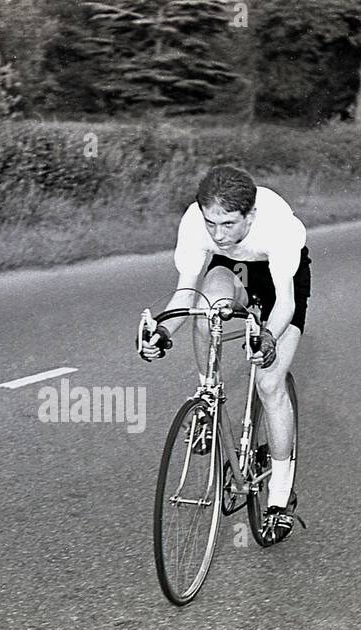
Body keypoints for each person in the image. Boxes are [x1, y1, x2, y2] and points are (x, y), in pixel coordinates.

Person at [141, 164, 311, 543]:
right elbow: (186, 293)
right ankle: (207, 396)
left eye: (229, 224)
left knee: (269, 384)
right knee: (207, 305)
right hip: (233, 271)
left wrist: (267, 336)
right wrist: (164, 332)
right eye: (211, 224)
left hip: (278, 279)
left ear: (249, 215)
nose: (218, 234)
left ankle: (280, 499)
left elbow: (285, 302)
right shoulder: (196, 224)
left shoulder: (276, 225)